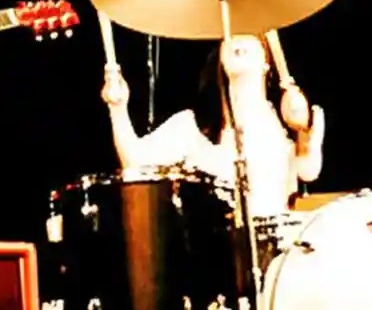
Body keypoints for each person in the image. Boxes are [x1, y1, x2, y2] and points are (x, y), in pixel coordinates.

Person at [101, 34, 325, 218]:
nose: (236, 37)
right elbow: (135, 163)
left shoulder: (284, 126)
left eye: (247, 31)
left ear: (266, 59)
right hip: (216, 262)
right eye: (229, 33)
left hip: (278, 262)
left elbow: (308, 168)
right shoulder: (193, 126)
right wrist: (118, 108)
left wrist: (305, 135)